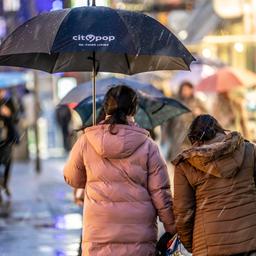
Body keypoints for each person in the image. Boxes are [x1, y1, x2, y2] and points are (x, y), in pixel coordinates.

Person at [64, 85, 175, 256]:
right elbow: (160, 193)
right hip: (139, 238)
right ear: (134, 109)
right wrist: (171, 227)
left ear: (105, 107)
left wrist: (94, 175)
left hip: (98, 235)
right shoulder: (148, 145)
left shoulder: (87, 140)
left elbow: (72, 178)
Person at [172, 114, 256, 256]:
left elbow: (183, 212)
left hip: (209, 247)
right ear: (220, 130)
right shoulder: (249, 151)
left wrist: (191, 244)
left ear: (193, 138)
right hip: (250, 241)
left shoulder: (186, 165)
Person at [0, 89, 20, 202]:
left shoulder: (9, 101)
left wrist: (9, 114)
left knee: (7, 163)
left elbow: (16, 119)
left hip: (6, 139)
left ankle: (5, 184)